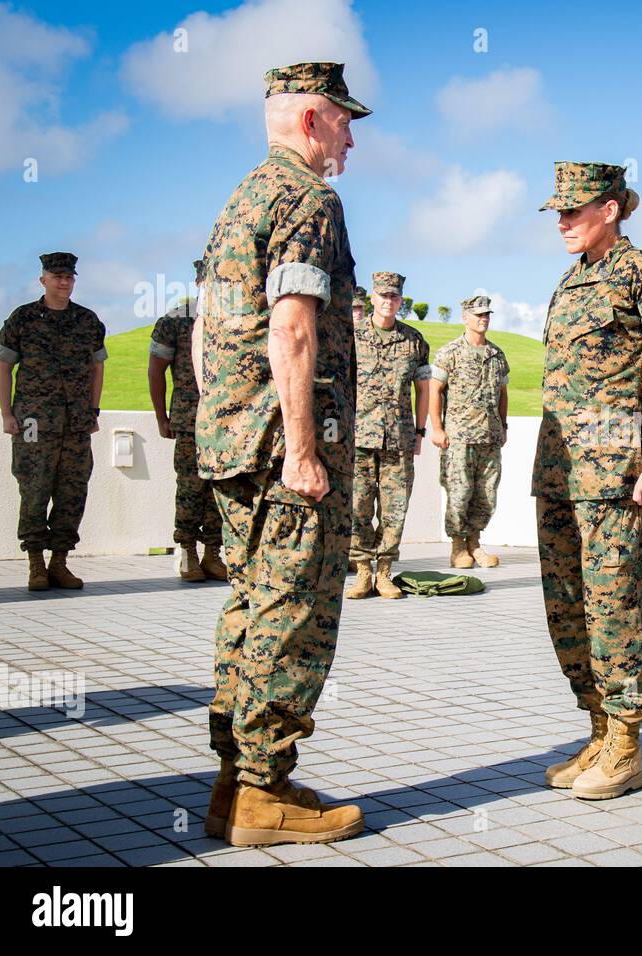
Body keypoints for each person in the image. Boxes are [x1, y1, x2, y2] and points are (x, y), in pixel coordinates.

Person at [196, 61, 370, 846]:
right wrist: (301, 449)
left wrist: (222, 417)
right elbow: (293, 325)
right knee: (292, 611)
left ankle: (237, 782)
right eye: (344, 122)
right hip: (283, 447)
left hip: (234, 440)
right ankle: (265, 794)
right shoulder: (308, 198)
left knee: (250, 607)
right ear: (310, 120)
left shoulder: (241, 199)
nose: (350, 140)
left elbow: (208, 327)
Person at [533, 161, 642, 800]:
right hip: (559, 470)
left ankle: (626, 742)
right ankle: (598, 727)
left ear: (610, 209)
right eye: (559, 212)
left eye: (574, 210)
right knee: (566, 606)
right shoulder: (569, 283)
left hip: (616, 473)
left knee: (614, 603)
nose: (563, 222)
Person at [0, 252, 105, 591]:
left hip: (75, 424)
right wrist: (6, 414)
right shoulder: (23, 318)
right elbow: (3, 366)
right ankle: (35, 564)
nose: (64, 281)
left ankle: (59, 562)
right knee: (34, 490)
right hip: (32, 422)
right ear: (43, 279)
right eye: (57, 275)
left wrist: (92, 410)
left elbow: (97, 367)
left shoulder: (87, 321)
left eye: (69, 276)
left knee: (73, 493)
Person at [345, 271, 430, 599]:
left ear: (400, 299)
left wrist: (420, 431)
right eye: (383, 295)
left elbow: (422, 389)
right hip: (359, 438)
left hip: (399, 438)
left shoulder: (414, 340)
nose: (388, 301)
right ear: (373, 298)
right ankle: (362, 571)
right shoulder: (353, 337)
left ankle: (384, 573)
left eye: (394, 297)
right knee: (359, 508)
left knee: (395, 510)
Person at [149, 257, 226, 583]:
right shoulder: (175, 320)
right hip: (189, 419)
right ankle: (187, 552)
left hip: (226, 423)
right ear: (197, 283)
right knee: (191, 488)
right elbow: (156, 370)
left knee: (220, 489)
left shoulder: (234, 318)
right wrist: (161, 416)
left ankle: (212, 553)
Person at [430, 294, 509, 569]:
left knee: (486, 493)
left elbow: (502, 393)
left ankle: (475, 543)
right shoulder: (449, 352)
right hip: (459, 437)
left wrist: (504, 425)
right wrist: (437, 428)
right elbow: (435, 391)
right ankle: (457, 546)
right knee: (459, 491)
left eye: (487, 314)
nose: (483, 319)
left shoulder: (497, 355)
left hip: (489, 436)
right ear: (465, 318)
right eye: (478, 315)